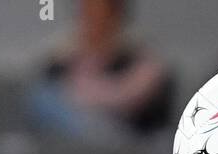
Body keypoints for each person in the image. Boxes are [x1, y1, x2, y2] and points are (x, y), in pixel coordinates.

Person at [30, 0, 174, 144]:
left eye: (98, 12)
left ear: (116, 16)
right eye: (86, 12)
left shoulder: (143, 62)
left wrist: (80, 91)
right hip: (72, 147)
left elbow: (127, 98)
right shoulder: (62, 60)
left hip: (131, 145)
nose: (90, 19)